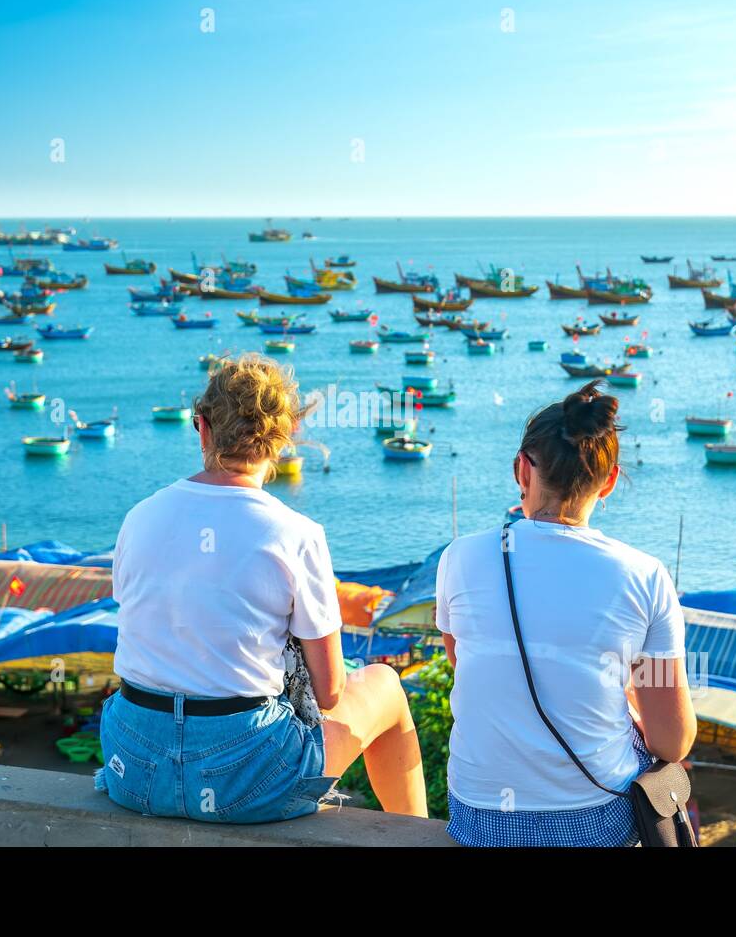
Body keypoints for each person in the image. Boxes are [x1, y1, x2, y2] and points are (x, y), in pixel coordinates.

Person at [98, 353, 427, 823]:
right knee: (385, 685)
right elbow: (331, 692)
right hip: (244, 775)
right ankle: (414, 834)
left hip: (133, 769)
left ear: (202, 428)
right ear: (285, 437)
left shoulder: (139, 517)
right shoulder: (295, 533)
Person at [435, 380, 696, 846]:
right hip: (592, 823)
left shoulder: (460, 557)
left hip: (480, 819)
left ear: (523, 470)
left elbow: (469, 668)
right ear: (610, 480)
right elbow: (672, 741)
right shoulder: (645, 576)